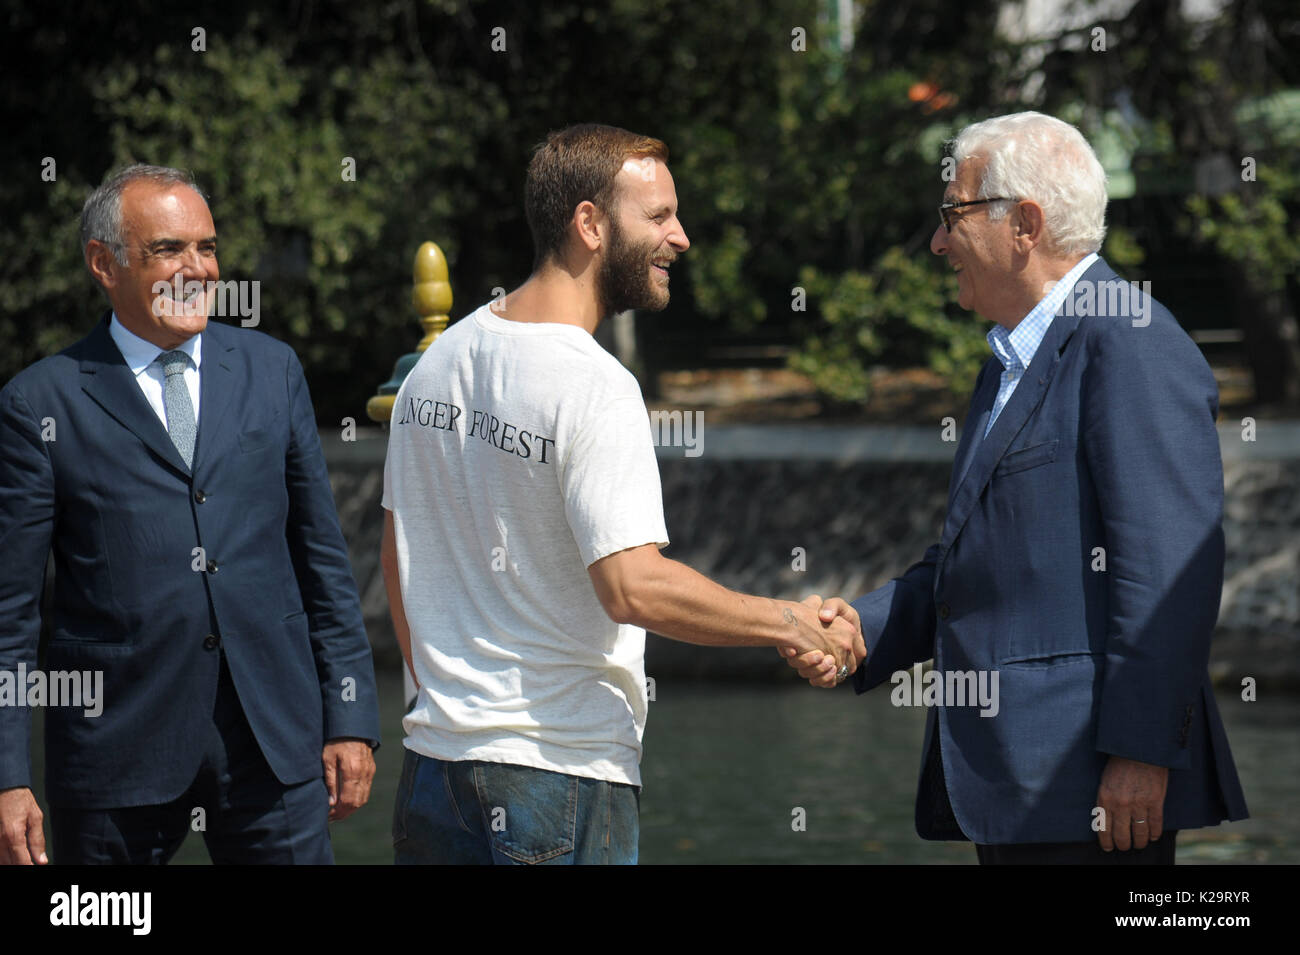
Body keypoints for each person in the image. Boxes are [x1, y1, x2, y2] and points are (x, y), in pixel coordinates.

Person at [381, 123, 863, 865]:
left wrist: (436, 700)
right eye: (660, 216)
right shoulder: (597, 386)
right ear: (589, 224)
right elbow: (632, 586)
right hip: (558, 776)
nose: (682, 237)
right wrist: (789, 621)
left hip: (433, 773)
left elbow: (396, 556)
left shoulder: (435, 366)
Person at [788, 111, 1248, 864]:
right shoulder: (1011, 361)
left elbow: (1169, 573)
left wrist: (1141, 754)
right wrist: (866, 629)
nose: (938, 243)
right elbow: (977, 562)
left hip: (1093, 791)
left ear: (1025, 223)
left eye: (952, 215)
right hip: (1026, 791)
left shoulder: (1129, 340)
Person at [0, 164, 381, 864]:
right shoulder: (39, 404)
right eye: (169, 249)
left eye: (207, 248)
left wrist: (350, 714)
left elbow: (322, 561)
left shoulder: (274, 371)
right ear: (103, 263)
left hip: (275, 744)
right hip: (116, 752)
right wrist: (6, 778)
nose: (198, 268)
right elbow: (10, 610)